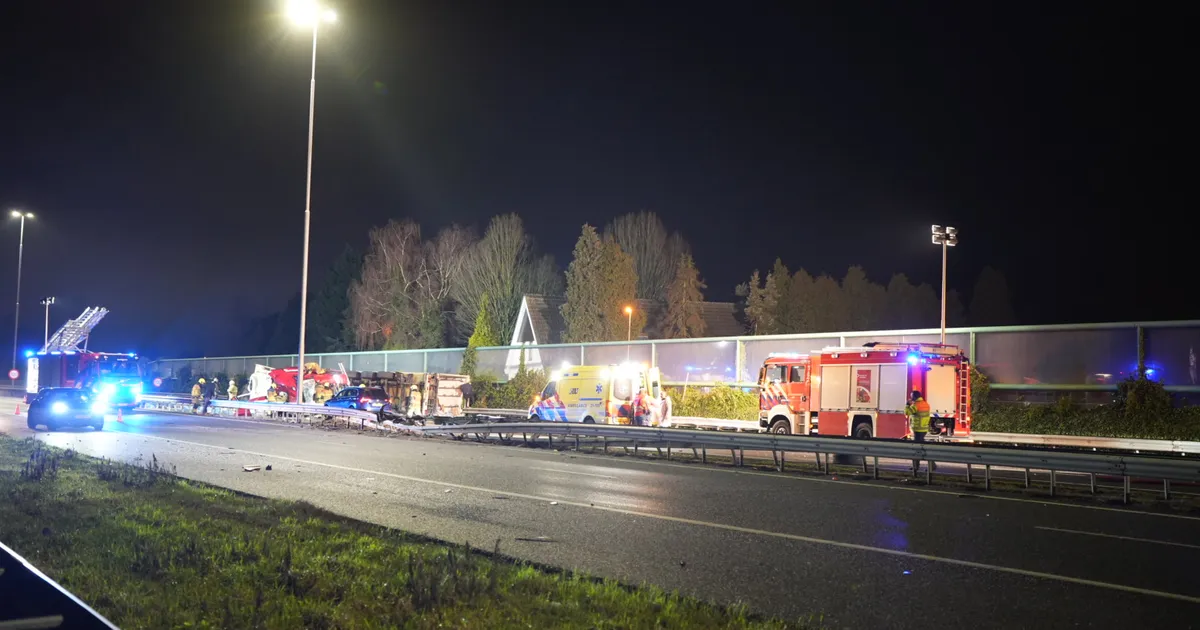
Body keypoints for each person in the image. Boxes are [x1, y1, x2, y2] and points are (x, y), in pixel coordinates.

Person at [906, 390, 933, 472]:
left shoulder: (916, 405)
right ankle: (931, 465)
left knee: (917, 449)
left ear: (914, 397)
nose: (911, 398)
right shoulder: (926, 404)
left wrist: (907, 404)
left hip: (918, 430)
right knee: (921, 448)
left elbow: (907, 412)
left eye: (911, 396)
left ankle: (916, 467)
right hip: (924, 429)